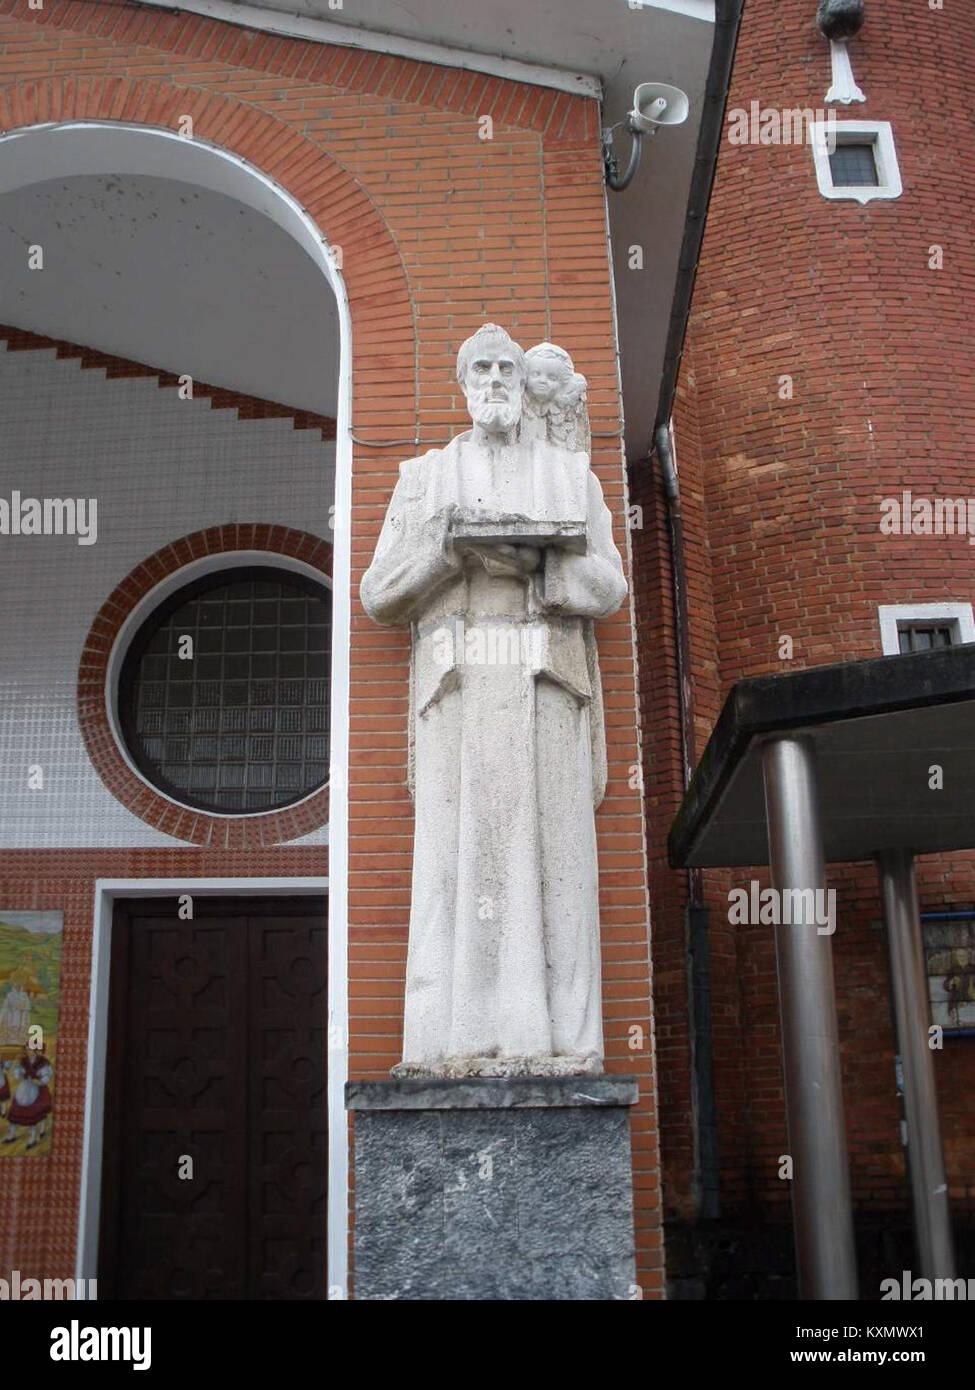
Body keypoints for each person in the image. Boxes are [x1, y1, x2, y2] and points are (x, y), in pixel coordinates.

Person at [361, 324, 626, 1077]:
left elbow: (607, 585)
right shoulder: (423, 478)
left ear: (520, 381)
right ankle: (451, 1038)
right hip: (462, 687)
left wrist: (540, 569)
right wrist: (449, 553)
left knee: (555, 862)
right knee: (455, 861)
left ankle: (560, 1042)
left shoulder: (572, 478)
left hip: (545, 682)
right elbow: (379, 594)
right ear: (463, 384)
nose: (495, 379)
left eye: (506, 367)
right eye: (479, 367)